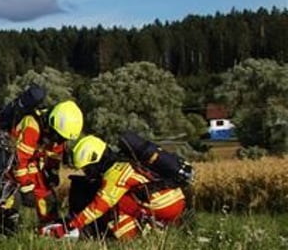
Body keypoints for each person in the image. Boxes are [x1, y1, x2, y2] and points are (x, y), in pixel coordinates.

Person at [41, 134, 187, 240]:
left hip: (165, 205)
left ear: (95, 161)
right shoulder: (122, 162)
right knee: (119, 202)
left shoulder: (115, 174)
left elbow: (97, 208)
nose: (87, 173)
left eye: (86, 169)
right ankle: (155, 228)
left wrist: (68, 227)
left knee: (113, 207)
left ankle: (132, 238)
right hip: (173, 199)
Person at [11, 99, 83, 225]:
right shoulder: (32, 126)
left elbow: (54, 154)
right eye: (59, 137)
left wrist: (52, 172)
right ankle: (2, 222)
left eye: (63, 139)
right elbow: (18, 161)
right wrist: (26, 188)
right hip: (10, 163)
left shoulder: (56, 133)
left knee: (47, 196)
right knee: (10, 194)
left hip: (31, 162)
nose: (59, 141)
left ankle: (48, 228)